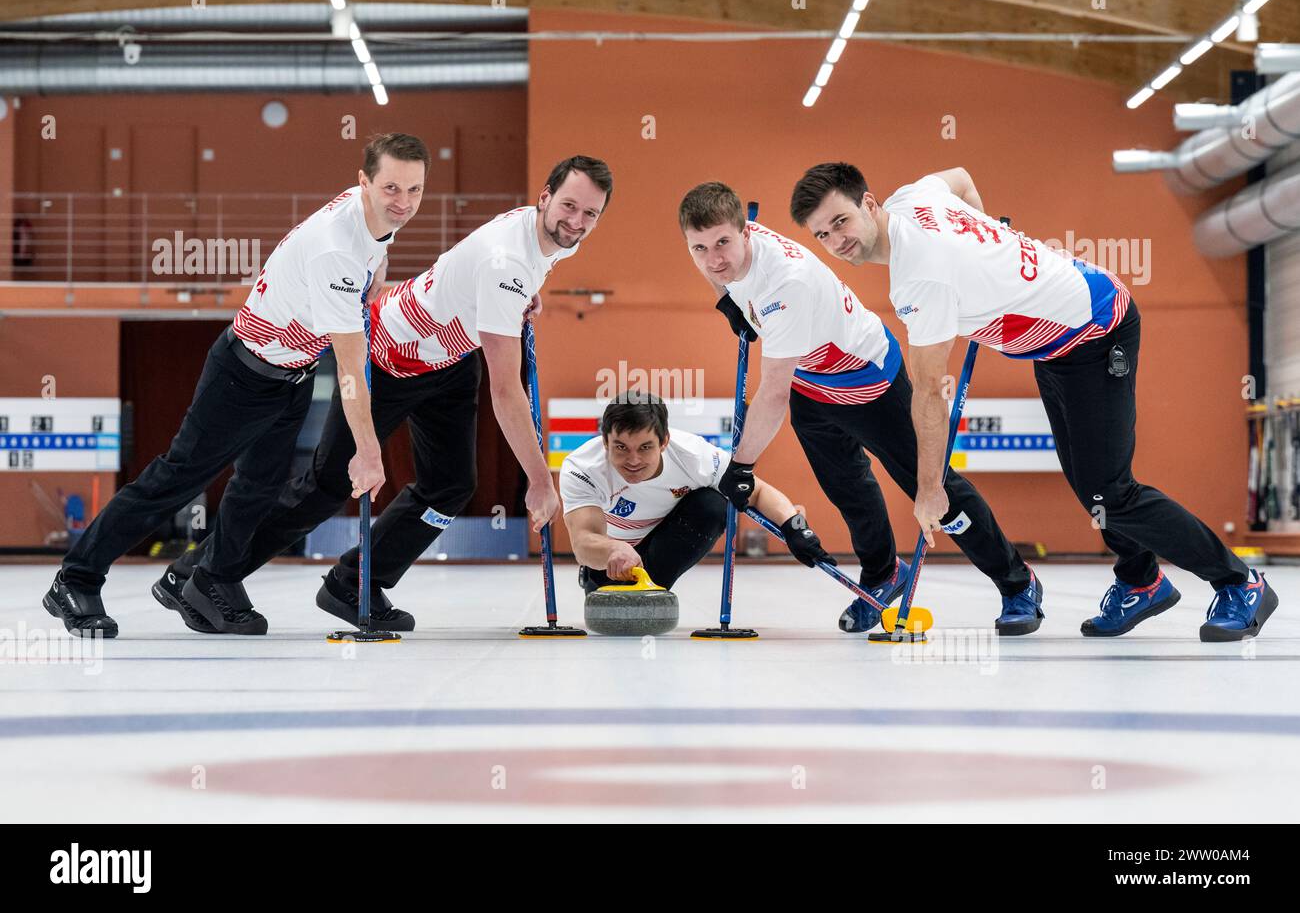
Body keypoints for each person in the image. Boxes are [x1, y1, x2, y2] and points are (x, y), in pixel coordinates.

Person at [790, 161, 1278, 641]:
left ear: (869, 204)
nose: (836, 240)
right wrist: (992, 237)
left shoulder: (920, 278)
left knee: (1110, 492)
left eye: (841, 221)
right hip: (1054, 346)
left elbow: (928, 394)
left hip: (1097, 330)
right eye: (822, 235)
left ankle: (1239, 582)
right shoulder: (912, 199)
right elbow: (961, 174)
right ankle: (1140, 580)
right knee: (1092, 485)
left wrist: (930, 487)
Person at [155, 156, 614, 633]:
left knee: (451, 484)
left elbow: (494, 279)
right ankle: (202, 572)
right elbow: (505, 389)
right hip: (391, 353)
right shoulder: (509, 261)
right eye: (568, 206)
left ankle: (354, 582)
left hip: (450, 356)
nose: (577, 221)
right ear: (544, 198)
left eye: (590, 214)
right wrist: (540, 479)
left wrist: (519, 296)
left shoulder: (542, 238)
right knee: (327, 486)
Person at [44, 132, 427, 637]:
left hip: (292, 375)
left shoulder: (372, 220)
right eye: (391, 189)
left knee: (259, 488)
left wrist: (379, 270)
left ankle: (206, 579)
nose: (402, 203)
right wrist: (368, 450)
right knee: (176, 479)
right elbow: (353, 369)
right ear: (364, 184)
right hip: (245, 373)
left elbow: (373, 254)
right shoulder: (336, 249)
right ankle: (76, 579)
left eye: (415, 190)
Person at [679, 181, 1039, 635]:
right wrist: (726, 299)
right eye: (699, 248)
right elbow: (719, 271)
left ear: (746, 232)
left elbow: (773, 392)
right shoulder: (724, 250)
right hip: (811, 378)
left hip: (866, 378)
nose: (714, 259)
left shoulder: (784, 284)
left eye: (724, 244)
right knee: (848, 490)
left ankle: (1017, 582)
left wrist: (742, 467)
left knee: (933, 489)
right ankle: (883, 575)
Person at [562, 392, 830, 593]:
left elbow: (757, 491)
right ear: (605, 440)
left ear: (664, 441)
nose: (633, 460)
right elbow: (584, 541)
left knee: (715, 504)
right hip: (608, 564)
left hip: (658, 552)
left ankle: (652, 589)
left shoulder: (695, 456)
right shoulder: (582, 467)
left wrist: (794, 526)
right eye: (621, 448)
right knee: (606, 557)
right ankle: (613, 584)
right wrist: (614, 549)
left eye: (645, 448)